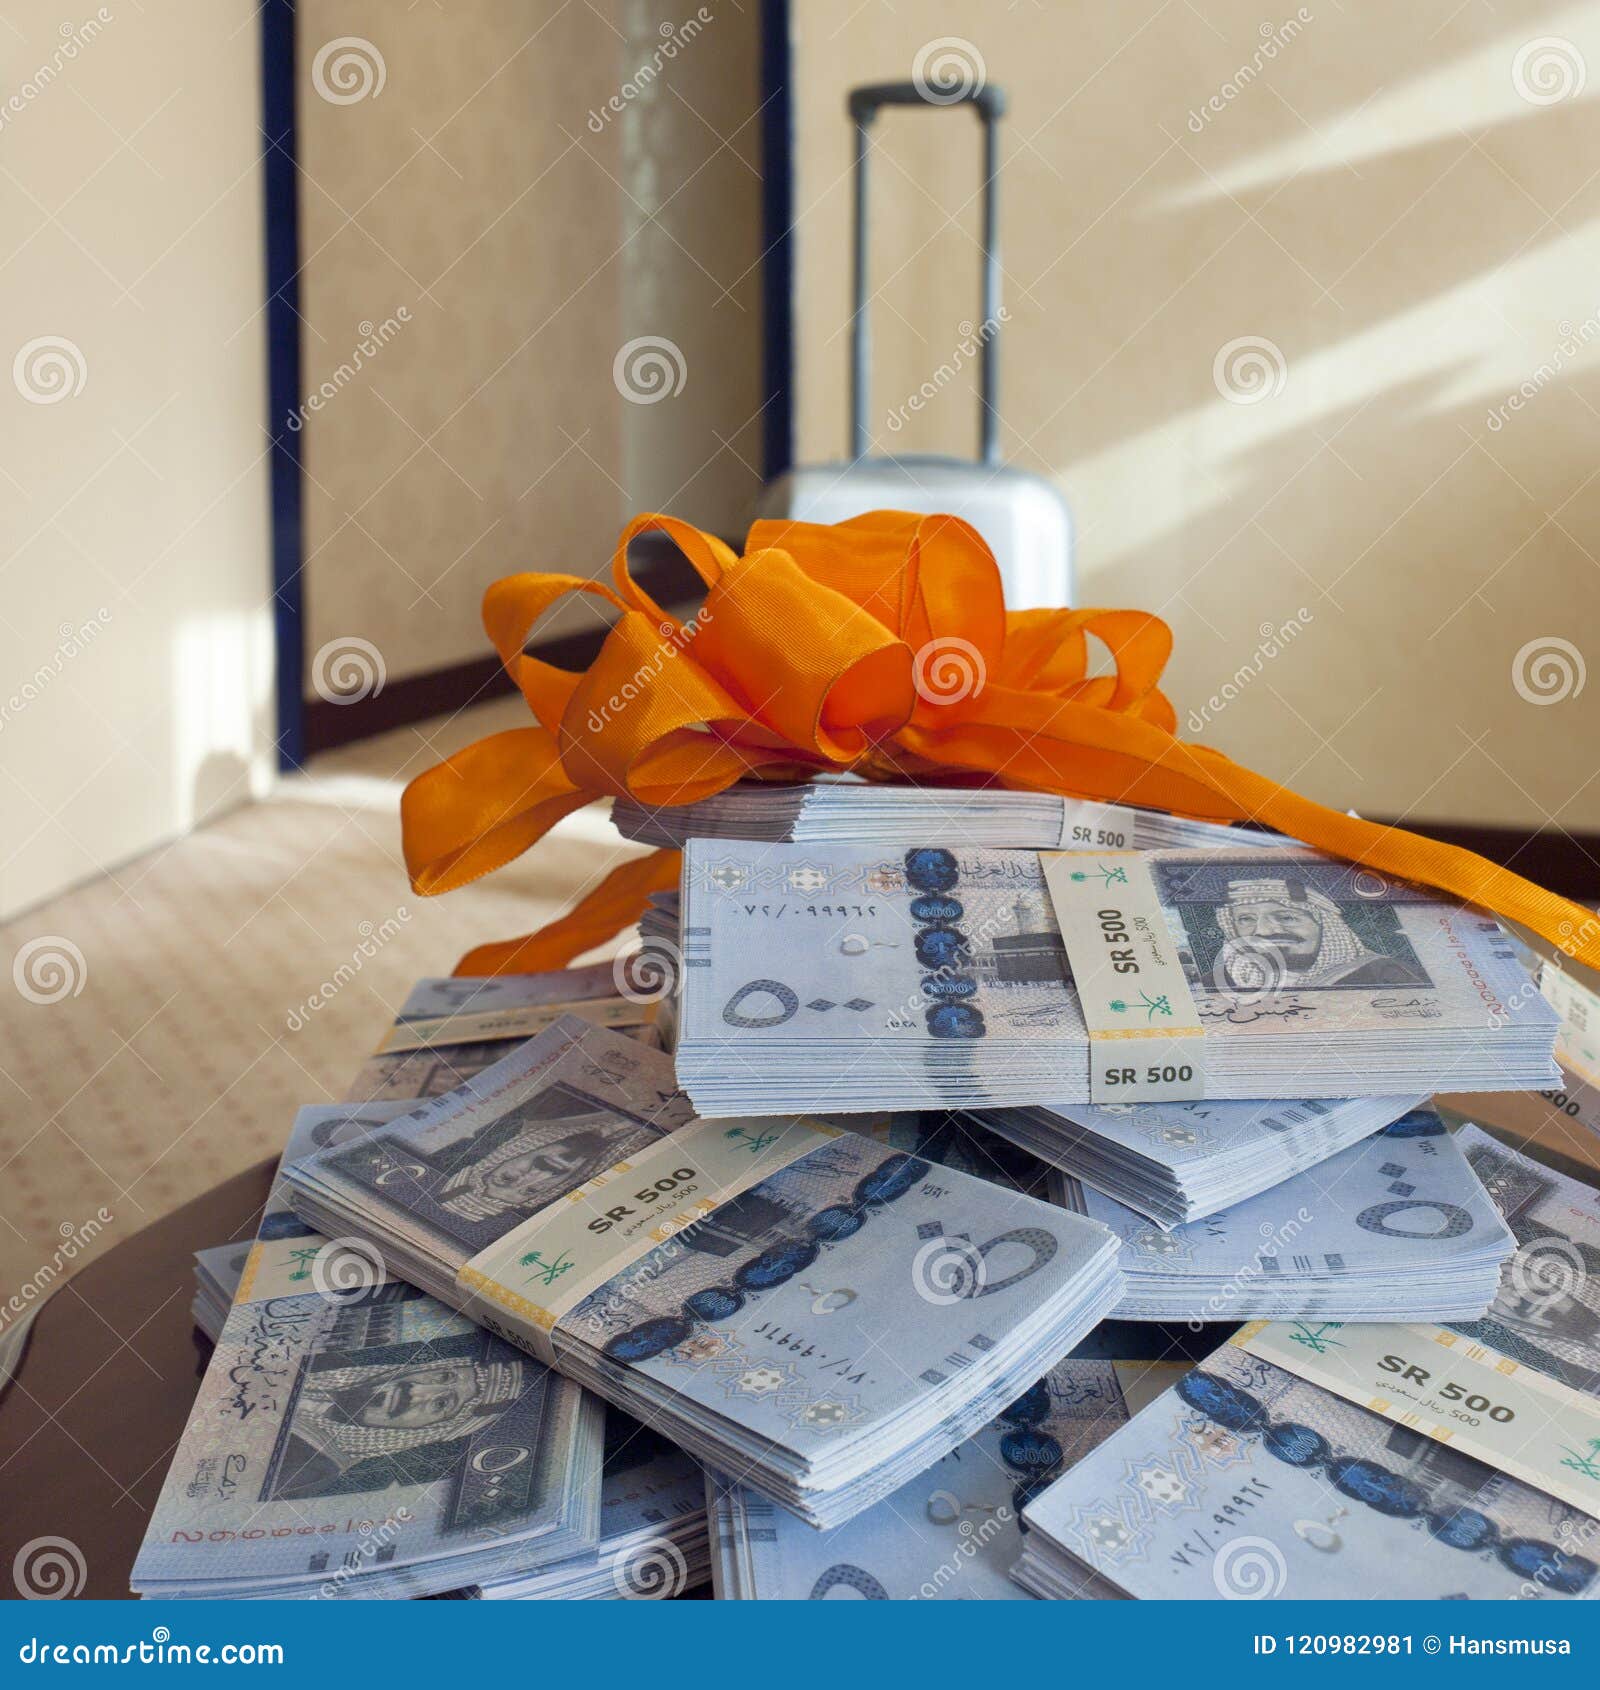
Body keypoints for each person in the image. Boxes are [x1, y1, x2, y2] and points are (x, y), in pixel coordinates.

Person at [1213, 874, 1425, 991]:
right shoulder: (1218, 981)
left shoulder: (1384, 973)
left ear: (1327, 926)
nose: (1262, 931)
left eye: (1287, 917)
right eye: (1246, 919)